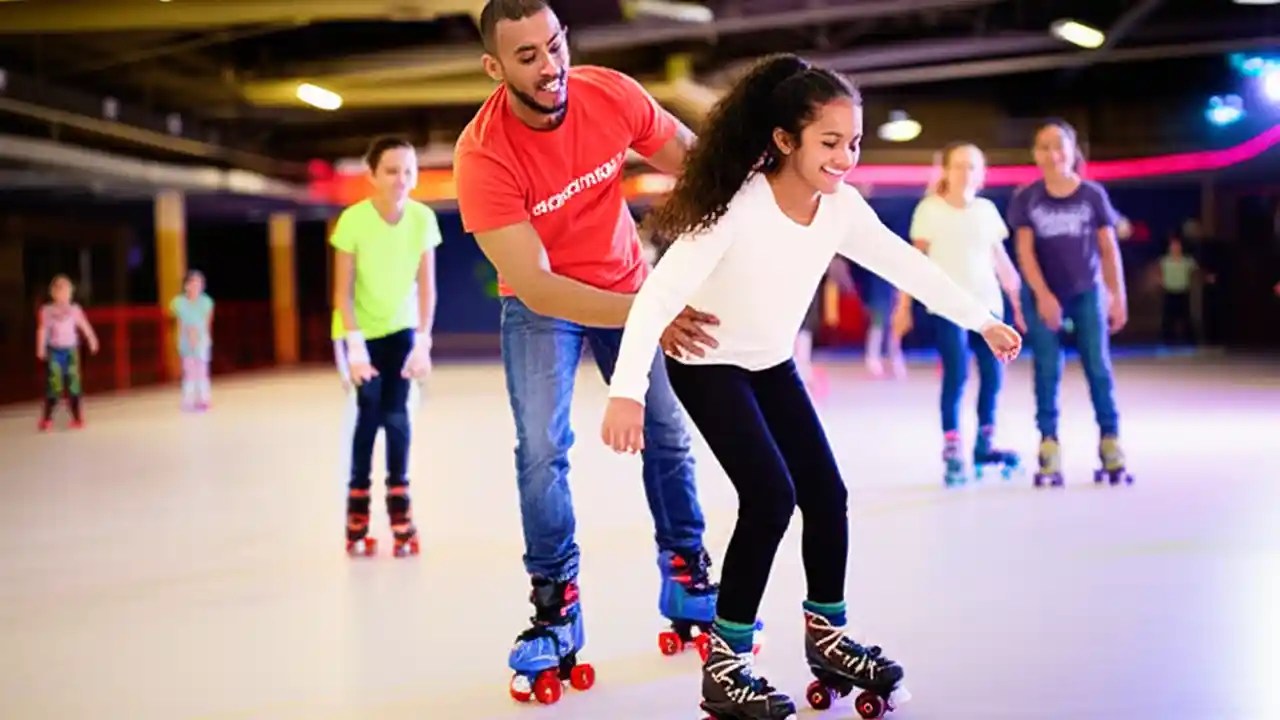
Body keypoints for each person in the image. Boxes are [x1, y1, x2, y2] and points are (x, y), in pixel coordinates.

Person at [600, 54, 1021, 720]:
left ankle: (827, 636)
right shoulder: (737, 206)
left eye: (853, 142)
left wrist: (983, 319)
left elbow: (906, 264)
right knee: (770, 497)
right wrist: (625, 390)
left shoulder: (841, 208)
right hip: (709, 364)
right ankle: (726, 662)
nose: (845, 157)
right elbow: (658, 295)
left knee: (826, 494)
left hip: (769, 362)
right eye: (830, 142)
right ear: (784, 140)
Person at [454, 0, 724, 701]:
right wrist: (652, 312)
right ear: (494, 68)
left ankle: (688, 574)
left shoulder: (608, 93)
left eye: (554, 46)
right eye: (527, 57)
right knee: (542, 449)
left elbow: (696, 166)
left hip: (626, 279)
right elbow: (540, 287)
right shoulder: (483, 155)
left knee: (668, 432)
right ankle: (556, 606)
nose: (551, 67)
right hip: (543, 306)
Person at [1007, 119, 1132, 486]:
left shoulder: (1092, 195)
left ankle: (1110, 441)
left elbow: (1109, 250)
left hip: (1086, 292)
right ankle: (1048, 443)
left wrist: (1117, 295)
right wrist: (1043, 296)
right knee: (1047, 368)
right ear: (1035, 154)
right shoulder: (1027, 198)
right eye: (1044, 146)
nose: (1052, 153)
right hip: (1043, 292)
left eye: (1059, 146)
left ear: (1071, 151)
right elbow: (1025, 253)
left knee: (1098, 365)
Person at [331, 135, 439, 557]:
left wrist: (423, 342)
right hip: (358, 333)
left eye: (408, 171)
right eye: (392, 171)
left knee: (397, 417)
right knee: (368, 415)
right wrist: (355, 349)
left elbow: (427, 288)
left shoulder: (422, 219)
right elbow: (342, 292)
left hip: (401, 332)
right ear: (372, 175)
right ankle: (356, 515)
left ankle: (400, 511)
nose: (401, 180)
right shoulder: (352, 221)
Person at [895, 141, 1026, 485]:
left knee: (993, 377)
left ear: (981, 174)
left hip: (990, 307)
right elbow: (914, 262)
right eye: (958, 165)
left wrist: (1017, 303)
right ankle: (952, 448)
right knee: (956, 375)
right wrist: (903, 306)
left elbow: (1001, 262)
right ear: (947, 171)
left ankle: (985, 444)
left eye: (972, 166)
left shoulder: (986, 210)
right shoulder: (929, 210)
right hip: (947, 307)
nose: (964, 172)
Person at [36, 274, 99, 431]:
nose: (64, 295)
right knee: (54, 385)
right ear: (53, 293)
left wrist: (92, 339)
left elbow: (84, 325)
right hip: (56, 351)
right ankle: (47, 418)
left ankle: (77, 418)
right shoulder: (47, 311)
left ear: (71, 293)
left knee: (74, 385)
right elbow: (43, 330)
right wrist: (41, 347)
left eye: (67, 292)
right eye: (60, 291)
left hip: (71, 351)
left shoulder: (74, 310)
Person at [168, 270, 215, 411]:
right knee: (189, 372)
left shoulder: (206, 302)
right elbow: (180, 322)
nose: (196, 286)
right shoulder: (179, 302)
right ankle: (188, 400)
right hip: (186, 342)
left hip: (202, 341)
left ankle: (204, 399)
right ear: (186, 285)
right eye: (193, 283)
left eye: (199, 283)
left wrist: (201, 338)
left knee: (202, 370)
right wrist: (186, 337)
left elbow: (206, 323)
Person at [1155, 235, 1200, 345]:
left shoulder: (1188, 261)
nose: (1175, 248)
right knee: (1168, 318)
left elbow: (1196, 272)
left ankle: (1189, 340)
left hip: (1183, 292)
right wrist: (1161, 282)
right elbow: (1158, 272)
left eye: (1177, 245)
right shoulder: (1164, 260)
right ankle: (1168, 340)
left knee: (1186, 317)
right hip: (1169, 292)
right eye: (1173, 246)